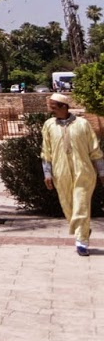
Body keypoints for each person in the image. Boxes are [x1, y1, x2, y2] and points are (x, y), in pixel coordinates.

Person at [41, 93, 104, 256]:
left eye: (54, 107)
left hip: (83, 172)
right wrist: (47, 173)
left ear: (64, 107)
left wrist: (102, 172)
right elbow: (46, 152)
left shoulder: (82, 124)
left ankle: (81, 242)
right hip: (60, 173)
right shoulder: (49, 125)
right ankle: (83, 229)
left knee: (81, 204)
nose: (51, 111)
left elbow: (95, 150)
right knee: (68, 207)